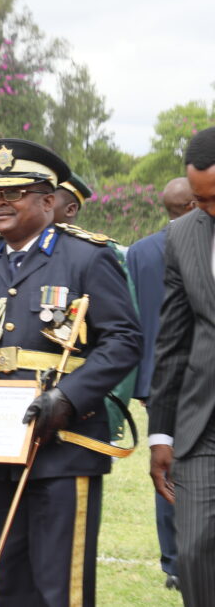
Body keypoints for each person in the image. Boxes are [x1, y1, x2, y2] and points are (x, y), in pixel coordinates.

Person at [0, 139, 142, 606]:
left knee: (61, 588)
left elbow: (124, 341)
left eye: (12, 194)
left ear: (49, 201)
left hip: (63, 445)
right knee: (10, 581)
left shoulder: (85, 257)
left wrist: (70, 398)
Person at [148, 127, 215, 607]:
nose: (209, 209)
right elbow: (172, 340)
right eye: (201, 199)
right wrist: (161, 435)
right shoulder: (182, 236)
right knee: (192, 554)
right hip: (202, 425)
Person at [128, 176, 193, 591]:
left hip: (155, 378)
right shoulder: (199, 245)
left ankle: (172, 561)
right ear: (190, 207)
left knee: (165, 463)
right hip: (193, 373)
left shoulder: (137, 251)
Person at [54, 172, 138, 441]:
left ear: (70, 209)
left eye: (47, 196)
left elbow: (122, 336)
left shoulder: (100, 254)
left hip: (77, 411)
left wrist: (112, 411)